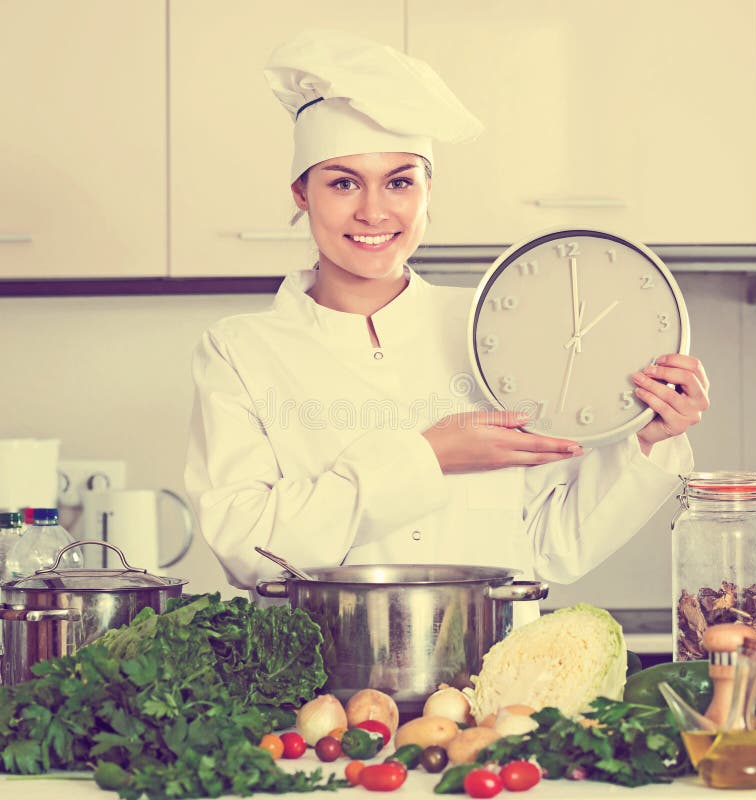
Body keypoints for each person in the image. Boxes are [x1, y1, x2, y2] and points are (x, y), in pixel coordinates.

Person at [184, 30, 710, 622]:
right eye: (342, 182)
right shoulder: (240, 351)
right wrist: (427, 457)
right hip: (321, 688)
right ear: (301, 193)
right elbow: (249, 548)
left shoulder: (495, 329)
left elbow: (552, 547)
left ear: (429, 190)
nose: (374, 211)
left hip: (493, 681)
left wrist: (646, 437)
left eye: (400, 181)